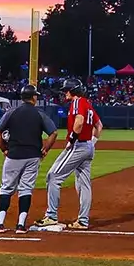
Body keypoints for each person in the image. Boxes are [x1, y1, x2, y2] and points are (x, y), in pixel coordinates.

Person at [0, 85, 57, 234]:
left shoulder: (12, 112)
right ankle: (20, 225)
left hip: (14, 155)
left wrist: (4, 149)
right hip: (33, 156)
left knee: (6, 188)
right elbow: (53, 133)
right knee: (26, 189)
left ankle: (0, 224)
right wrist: (45, 149)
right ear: (33, 97)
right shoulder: (39, 114)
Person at [36, 82, 100, 231]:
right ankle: (83, 221)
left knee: (53, 176)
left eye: (66, 91)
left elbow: (79, 122)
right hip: (88, 146)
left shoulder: (77, 101)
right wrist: (92, 143)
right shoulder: (88, 104)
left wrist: (71, 140)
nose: (65, 93)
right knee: (84, 184)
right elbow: (99, 126)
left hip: (78, 145)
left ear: (73, 91)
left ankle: (51, 216)